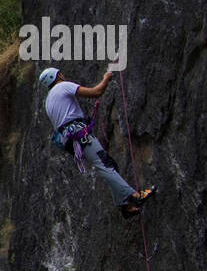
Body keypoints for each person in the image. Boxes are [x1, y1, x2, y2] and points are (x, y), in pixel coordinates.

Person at [39, 67, 154, 218]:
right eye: (61, 73)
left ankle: (126, 206)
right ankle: (134, 196)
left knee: (109, 165)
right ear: (58, 75)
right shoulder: (62, 86)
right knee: (104, 164)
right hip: (79, 134)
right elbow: (95, 92)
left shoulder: (48, 101)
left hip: (70, 138)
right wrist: (106, 78)